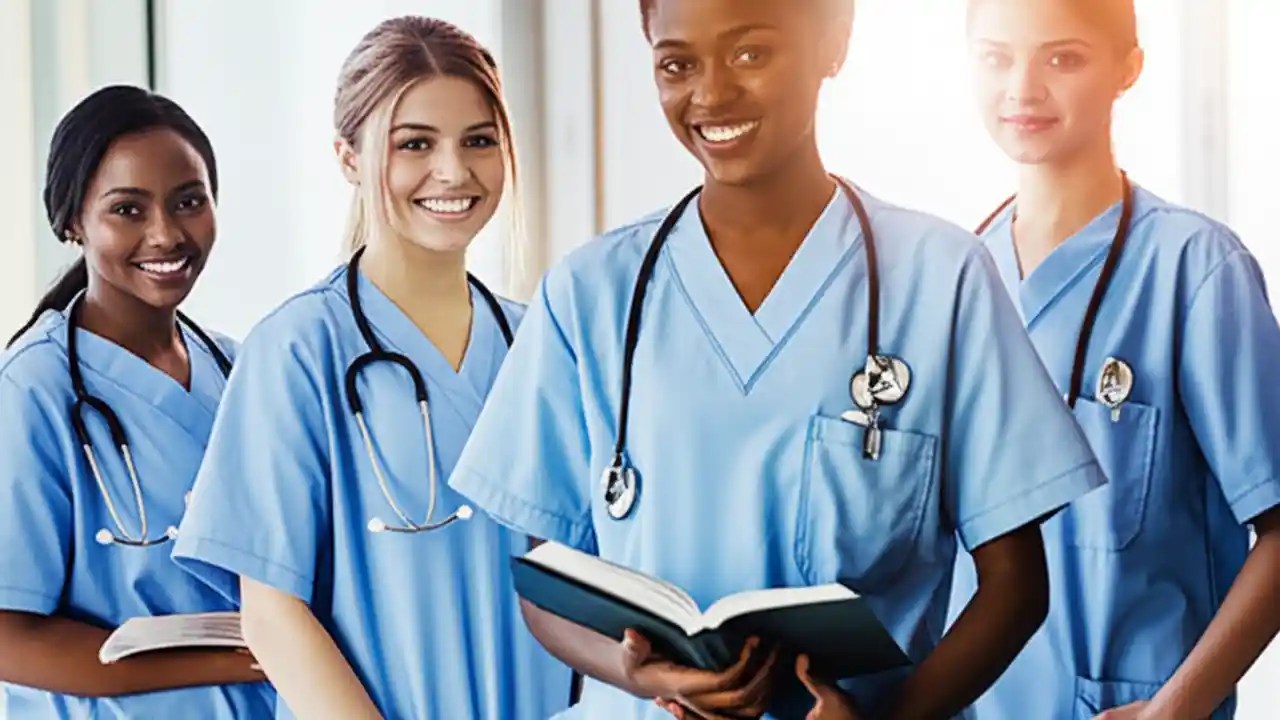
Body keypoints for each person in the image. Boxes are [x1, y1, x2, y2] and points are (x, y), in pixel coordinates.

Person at [446, 0, 1107, 718]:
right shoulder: (591, 293)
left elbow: (1016, 587)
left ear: (835, 41)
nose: (710, 94)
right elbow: (548, 586)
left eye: (750, 54)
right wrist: (641, 676)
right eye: (677, 64)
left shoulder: (940, 277)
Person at [171, 16, 571, 720]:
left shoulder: (537, 342)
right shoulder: (298, 349)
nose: (453, 171)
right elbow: (272, 615)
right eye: (414, 143)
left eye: (478, 140)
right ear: (349, 157)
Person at [952, 1, 1280, 717]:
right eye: (997, 57)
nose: (1023, 88)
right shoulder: (952, 276)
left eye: (1062, 58)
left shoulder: (1195, 270)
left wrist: (1176, 708)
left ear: (1128, 67)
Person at [0, 85, 273, 719]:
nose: (166, 234)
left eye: (189, 202)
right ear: (74, 221)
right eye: (128, 209)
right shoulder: (33, 391)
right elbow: (9, 637)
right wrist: (252, 655)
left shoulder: (239, 372)